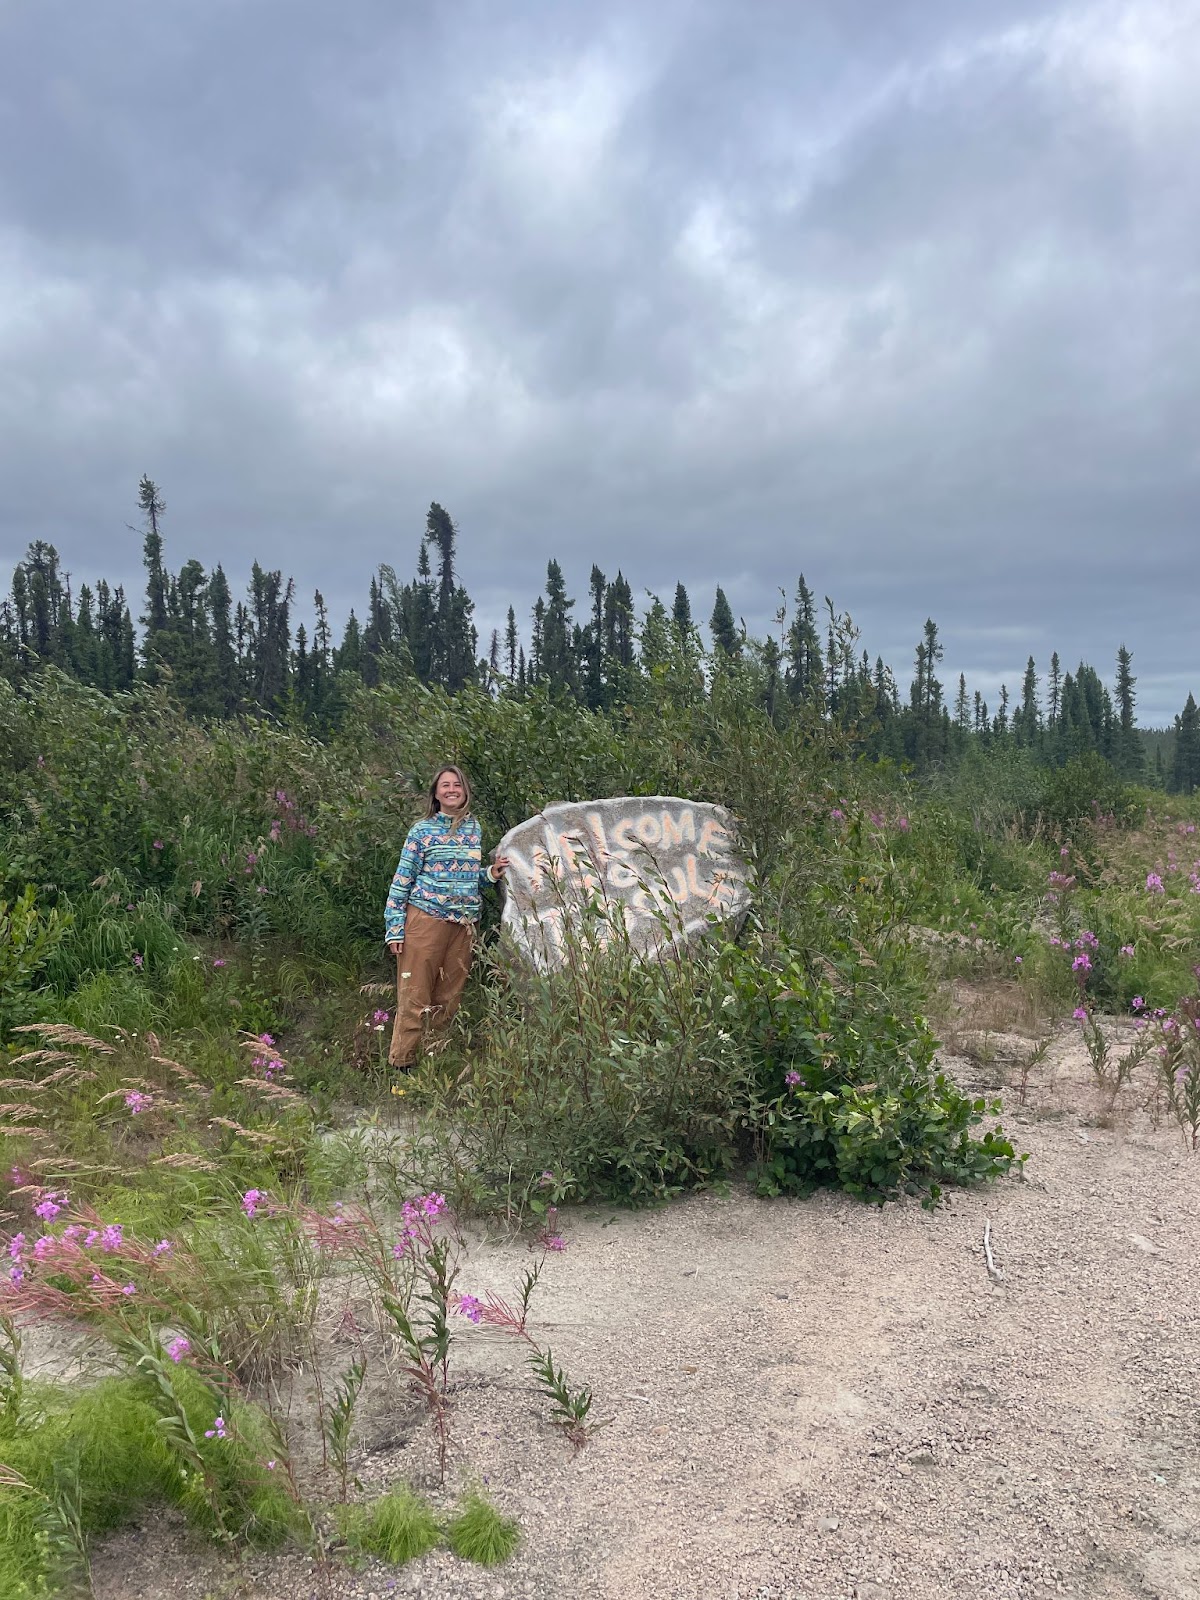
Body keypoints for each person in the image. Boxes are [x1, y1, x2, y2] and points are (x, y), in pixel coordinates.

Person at [384, 764, 508, 1071]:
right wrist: (395, 929)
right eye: (445, 786)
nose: (452, 790)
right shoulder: (422, 831)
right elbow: (402, 880)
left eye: (457, 785)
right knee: (415, 993)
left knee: (449, 996)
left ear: (465, 791)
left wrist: (489, 874)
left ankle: (433, 1060)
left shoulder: (473, 828)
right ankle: (403, 1065)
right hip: (426, 919)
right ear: (436, 794)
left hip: (464, 925)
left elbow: (466, 877)